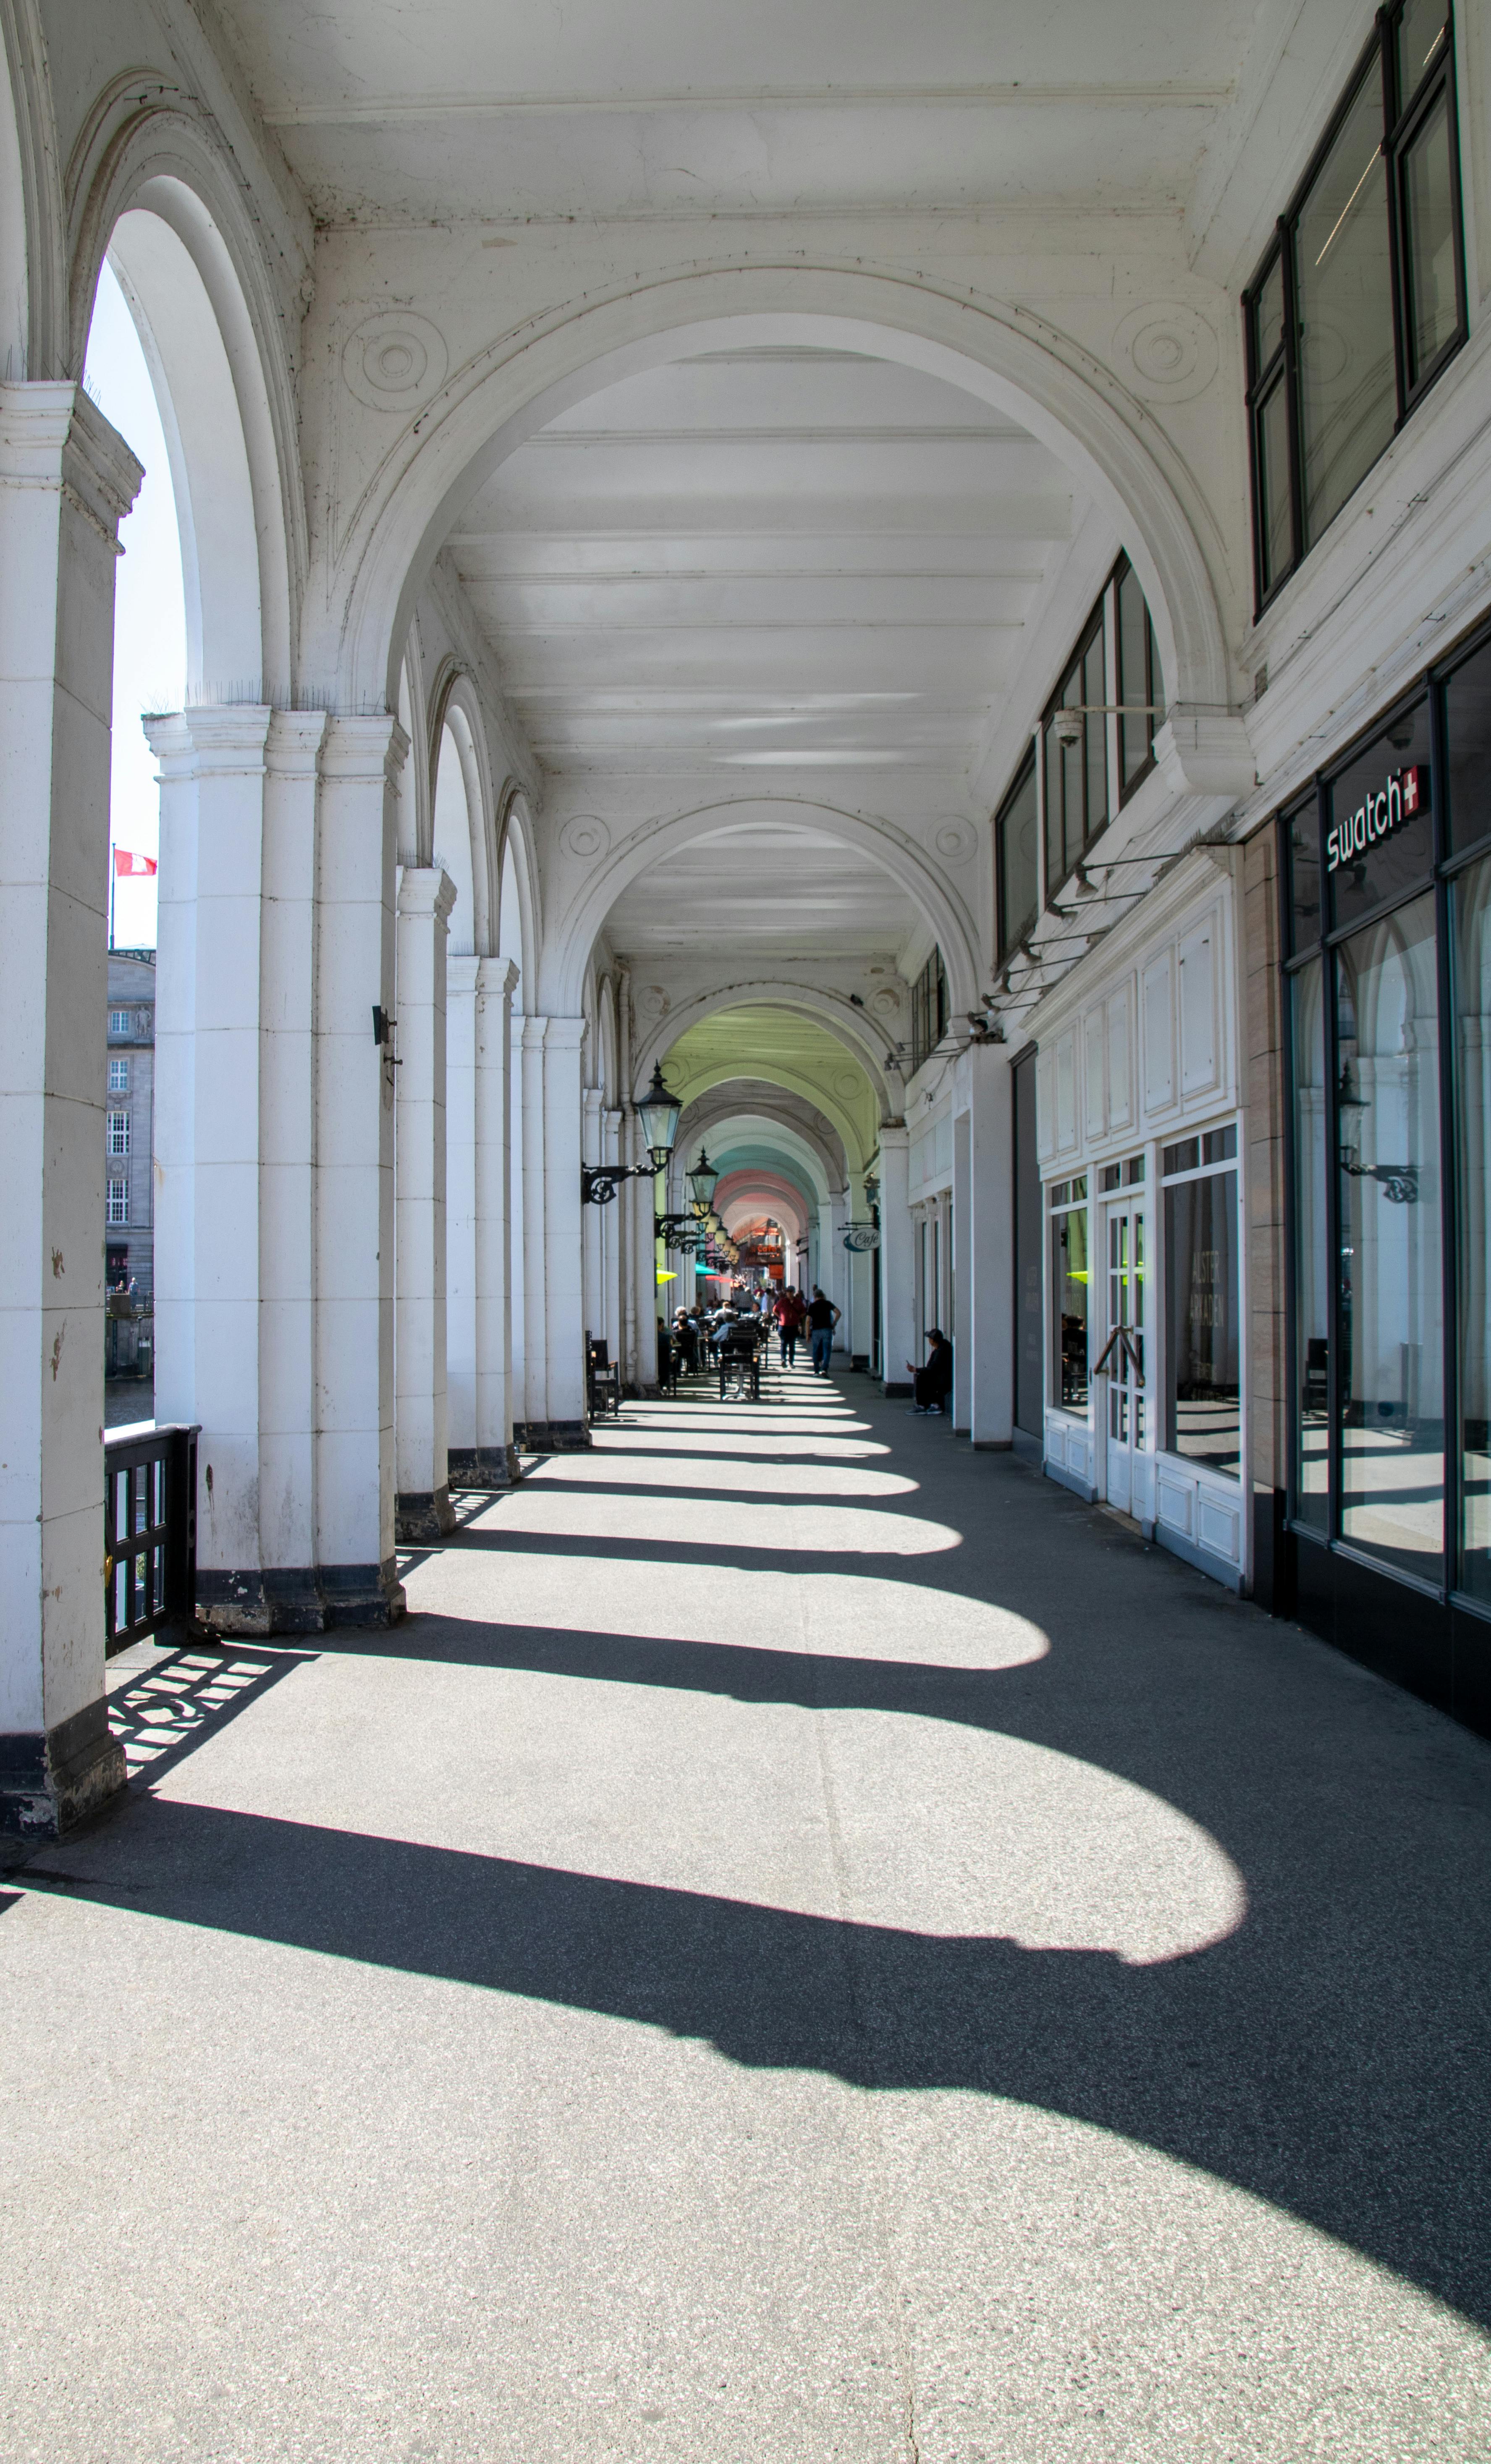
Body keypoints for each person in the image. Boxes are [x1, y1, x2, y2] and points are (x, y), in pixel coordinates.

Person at [907, 1328, 953, 1414]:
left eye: (930, 1339)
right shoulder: (941, 1349)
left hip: (944, 1380)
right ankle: (928, 1404)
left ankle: (925, 1405)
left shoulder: (941, 1351)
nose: (929, 1341)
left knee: (922, 1378)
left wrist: (916, 1370)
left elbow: (933, 1368)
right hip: (942, 1377)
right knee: (923, 1376)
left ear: (933, 1340)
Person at [805, 1285, 840, 1376]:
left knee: (816, 1351)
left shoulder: (812, 1306)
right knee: (827, 1350)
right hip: (827, 1330)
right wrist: (834, 1323)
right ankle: (825, 1369)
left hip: (816, 1331)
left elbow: (808, 1321)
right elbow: (838, 1313)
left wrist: (808, 1334)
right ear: (823, 1295)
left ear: (815, 1296)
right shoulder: (828, 1304)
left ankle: (816, 1371)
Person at [775, 1283, 806, 1366]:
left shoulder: (798, 1302)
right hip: (783, 1326)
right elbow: (775, 1310)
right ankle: (783, 1359)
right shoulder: (782, 1302)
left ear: (794, 1292)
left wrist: (798, 1318)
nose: (789, 1293)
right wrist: (780, 1317)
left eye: (791, 1292)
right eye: (788, 1292)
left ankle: (791, 1361)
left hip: (793, 1326)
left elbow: (804, 1312)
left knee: (792, 1344)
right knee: (784, 1343)